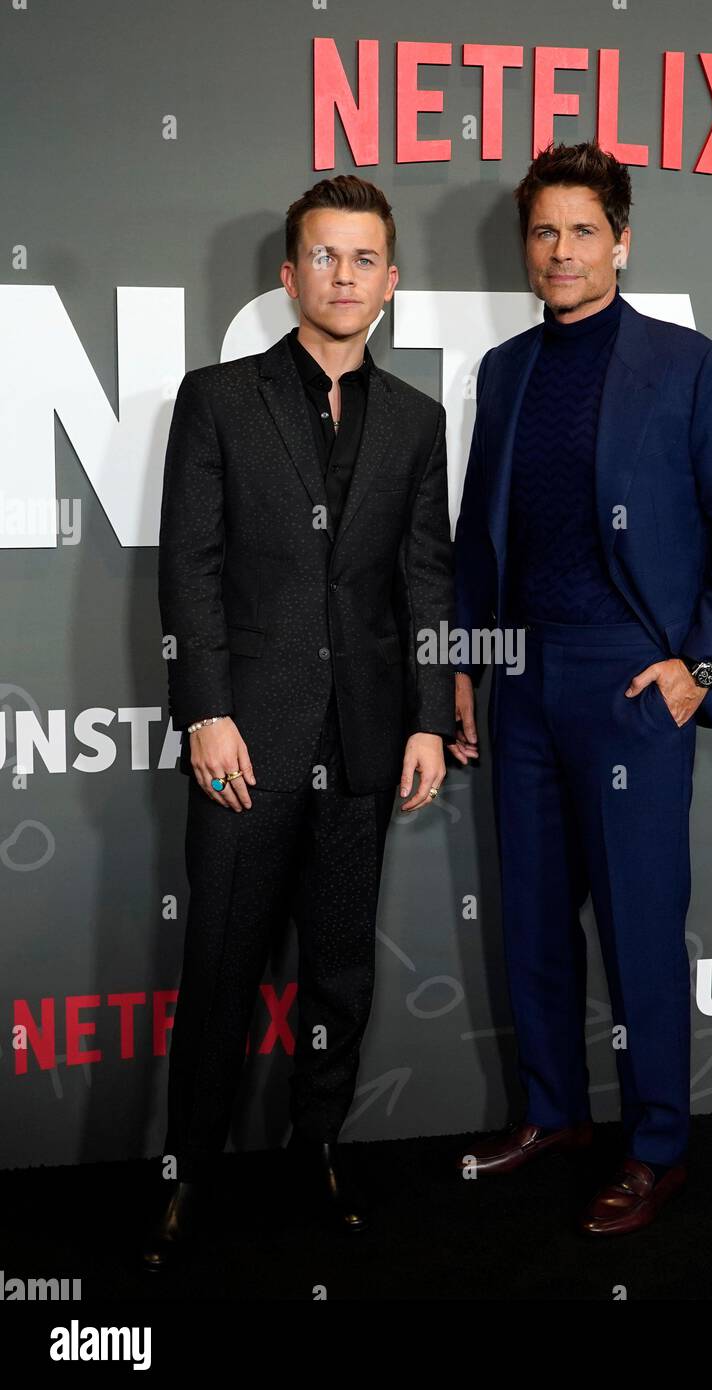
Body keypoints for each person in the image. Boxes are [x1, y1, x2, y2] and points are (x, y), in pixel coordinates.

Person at [450, 141, 712, 1236]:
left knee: (639, 924)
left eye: (583, 230)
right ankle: (552, 1112)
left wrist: (700, 667)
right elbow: (477, 546)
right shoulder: (505, 371)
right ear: (525, 248)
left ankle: (657, 1146)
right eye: (543, 231)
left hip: (633, 678)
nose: (561, 250)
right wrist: (467, 664)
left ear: (623, 242)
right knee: (533, 916)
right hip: (524, 676)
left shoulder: (694, 367)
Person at [142, 174, 455, 1270]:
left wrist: (426, 720)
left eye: (364, 258)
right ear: (289, 275)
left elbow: (426, 584)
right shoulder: (218, 397)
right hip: (248, 739)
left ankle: (317, 1146)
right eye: (324, 256)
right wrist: (208, 712)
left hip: (365, 743)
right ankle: (188, 1172)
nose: (344, 275)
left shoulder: (420, 420)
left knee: (339, 972)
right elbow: (192, 569)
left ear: (391, 282)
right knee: (221, 966)